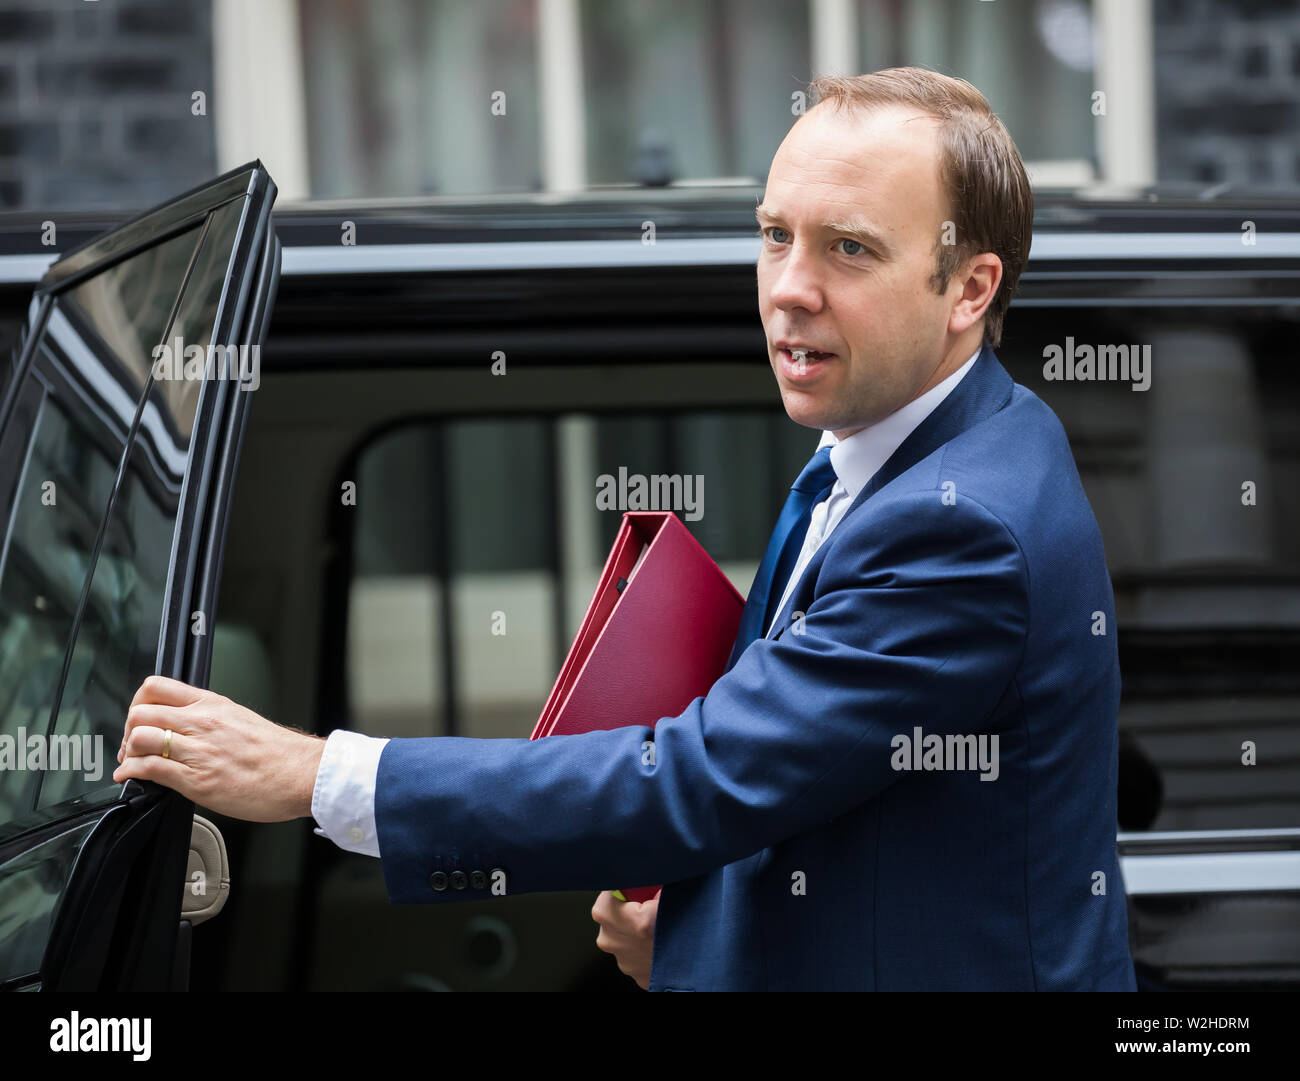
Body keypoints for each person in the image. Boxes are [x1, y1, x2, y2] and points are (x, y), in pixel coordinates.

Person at [116, 67, 1136, 991]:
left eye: (850, 248)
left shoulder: (960, 528)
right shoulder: (909, 439)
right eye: (774, 233)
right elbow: (816, 793)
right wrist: (698, 937)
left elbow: (705, 779)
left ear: (969, 287)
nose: (788, 287)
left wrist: (315, 775)